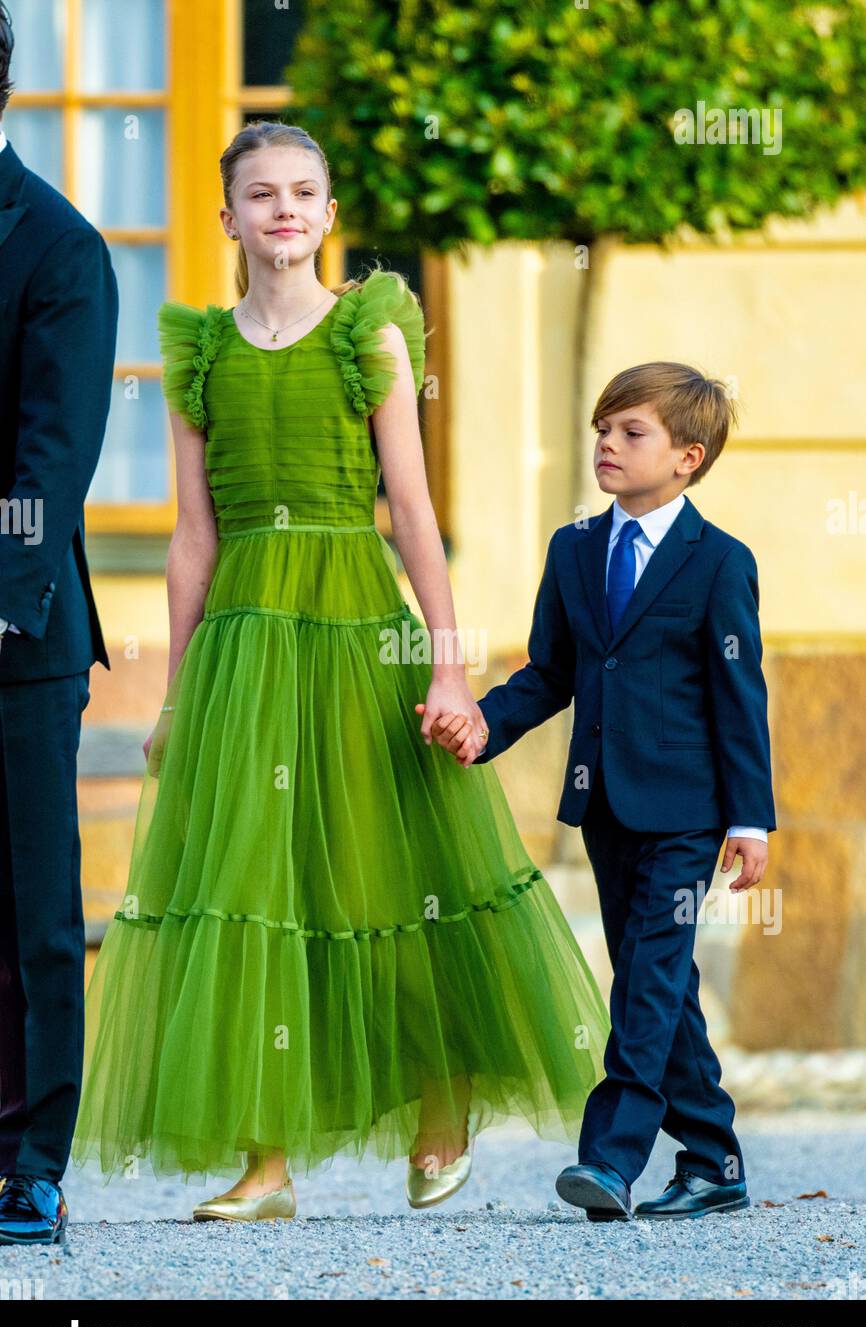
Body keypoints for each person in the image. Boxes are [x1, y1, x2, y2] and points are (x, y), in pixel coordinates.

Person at [70, 121, 610, 1221]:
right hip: (245, 644)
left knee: (388, 866)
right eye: (259, 193)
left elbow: (411, 511)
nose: (282, 209)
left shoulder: (369, 334)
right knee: (250, 886)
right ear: (226, 217)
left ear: (326, 214)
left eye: (303, 191)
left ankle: (438, 1105)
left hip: (363, 624)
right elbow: (190, 538)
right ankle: (265, 1165)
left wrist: (451, 671)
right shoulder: (201, 351)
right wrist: (179, 694)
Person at [426, 362, 775, 1221]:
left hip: (688, 814)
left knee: (645, 985)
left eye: (631, 433)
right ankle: (715, 1157)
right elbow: (551, 673)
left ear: (688, 458)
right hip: (605, 808)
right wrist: (483, 725)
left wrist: (750, 818)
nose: (607, 446)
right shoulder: (575, 549)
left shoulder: (719, 562)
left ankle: (610, 1161)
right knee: (659, 981)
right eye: (602, 430)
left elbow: (742, 696)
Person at [0, 1, 117, 1245]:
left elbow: (51, 460)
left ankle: (29, 1162)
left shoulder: (61, 248)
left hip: (15, 638)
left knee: (29, 911)